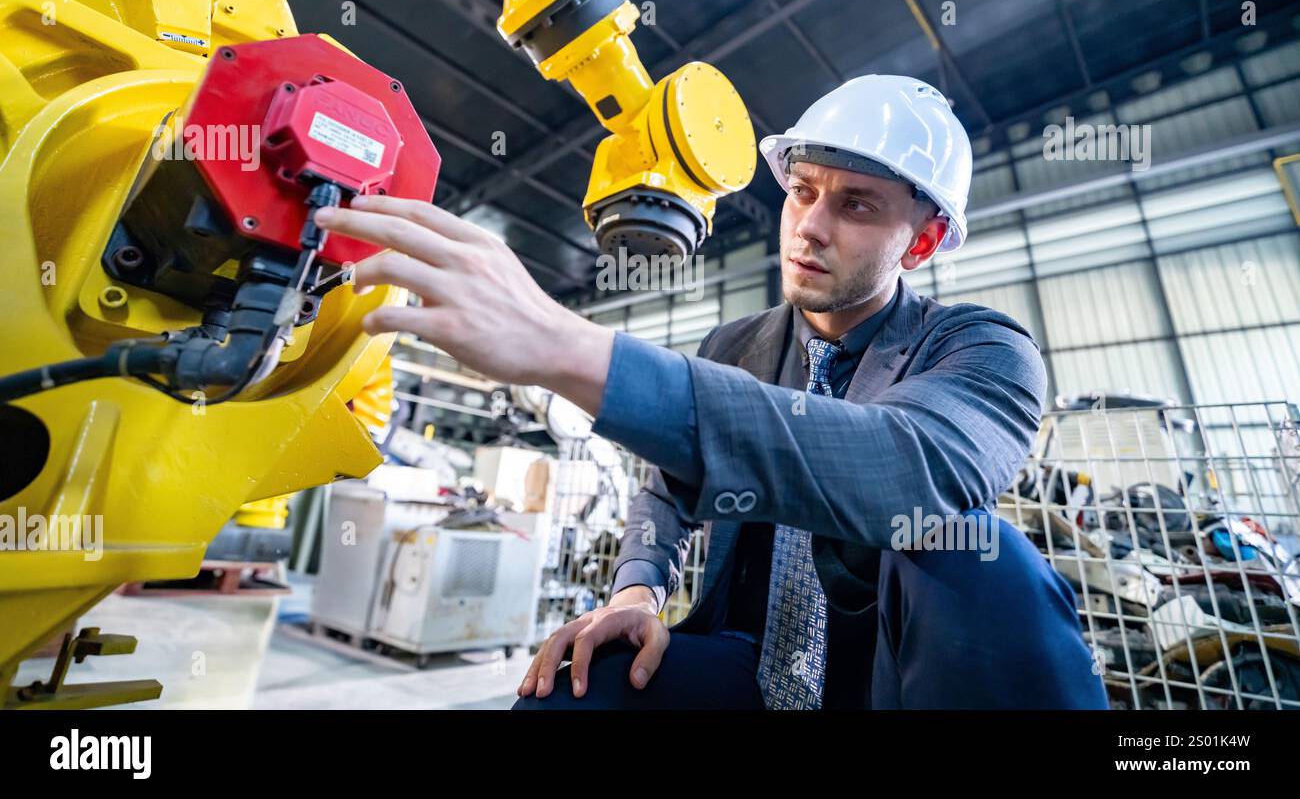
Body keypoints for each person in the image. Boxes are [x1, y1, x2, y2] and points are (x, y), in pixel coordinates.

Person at [313, 75, 1109, 709]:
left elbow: (908, 469)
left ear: (925, 240)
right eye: (804, 190)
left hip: (875, 683)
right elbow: (668, 490)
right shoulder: (738, 345)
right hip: (752, 667)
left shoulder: (979, 349)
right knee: (570, 688)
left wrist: (569, 348)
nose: (810, 226)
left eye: (857, 203)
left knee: (982, 558)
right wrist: (637, 589)